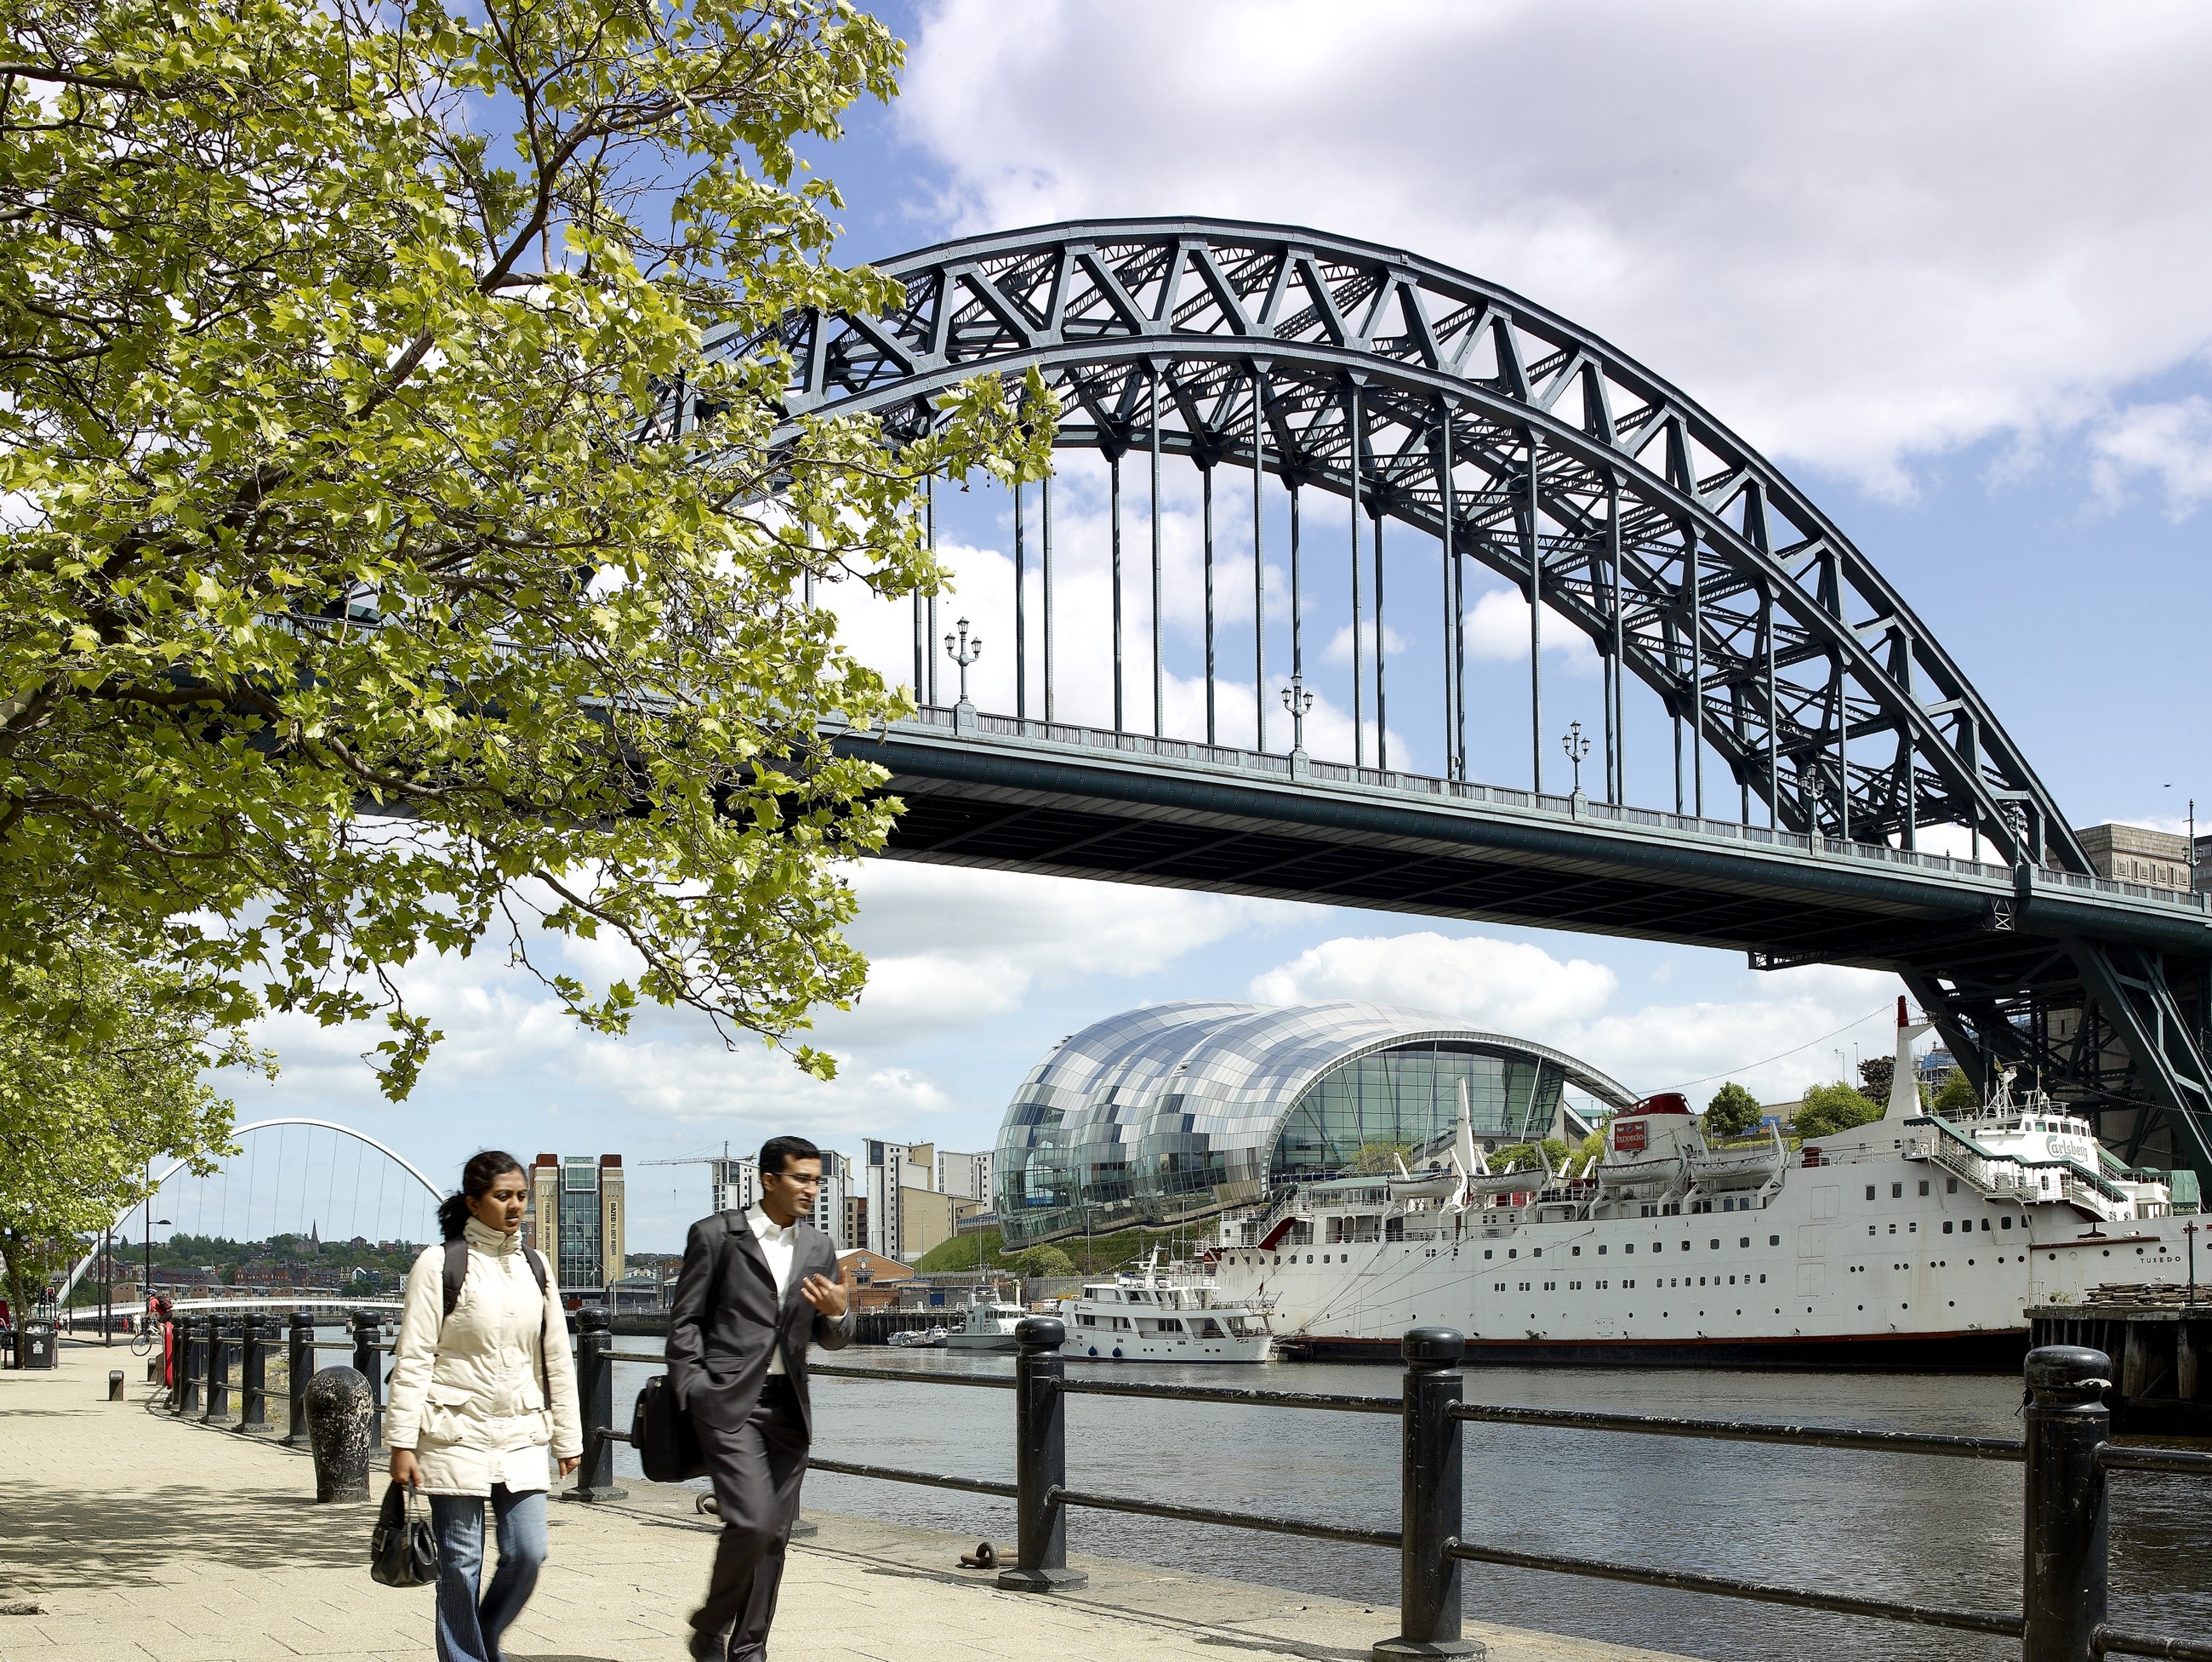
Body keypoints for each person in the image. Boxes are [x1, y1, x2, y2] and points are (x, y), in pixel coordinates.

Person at [385, 1151, 583, 1662]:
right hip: (453, 1432)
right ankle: (465, 1656)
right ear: (473, 1203)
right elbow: (414, 1357)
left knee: (528, 1552)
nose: (515, 1206)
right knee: (461, 1562)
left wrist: (568, 1438)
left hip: (521, 1432)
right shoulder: (439, 1264)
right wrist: (401, 1443)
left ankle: (484, 1637)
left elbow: (556, 1358)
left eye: (521, 1196)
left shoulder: (535, 1267)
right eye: (502, 1196)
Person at [667, 1134, 852, 1662]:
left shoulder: (819, 1248)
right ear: (768, 1179)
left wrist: (839, 1312)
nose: (811, 1190)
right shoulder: (715, 1236)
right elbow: (685, 1322)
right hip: (729, 1404)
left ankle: (749, 1651)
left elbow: (832, 1337)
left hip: (789, 1409)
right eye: (801, 1178)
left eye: (817, 1181)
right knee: (753, 1521)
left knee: (774, 1536)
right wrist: (693, 1389)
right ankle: (710, 1625)